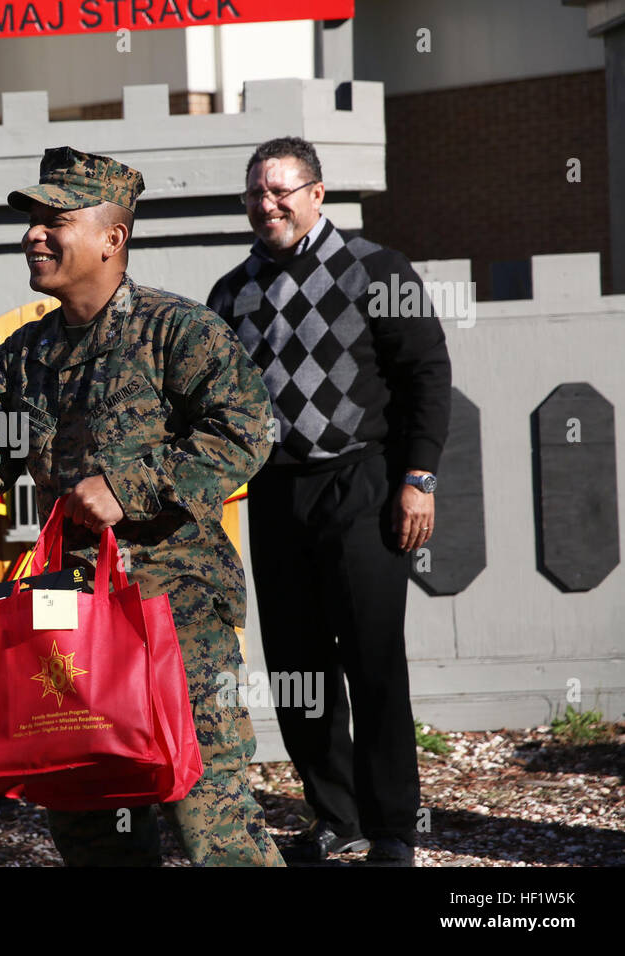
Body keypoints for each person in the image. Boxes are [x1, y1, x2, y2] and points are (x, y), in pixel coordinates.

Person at [0, 146, 285, 866]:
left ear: (111, 238)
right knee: (88, 813)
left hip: (174, 607)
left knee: (206, 812)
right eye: (30, 222)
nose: (33, 235)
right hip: (68, 612)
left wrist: (133, 488)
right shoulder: (19, 355)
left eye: (53, 220)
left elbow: (248, 430)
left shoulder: (177, 332)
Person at [207, 136, 451, 867]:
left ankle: (394, 830)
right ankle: (334, 819)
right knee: (297, 666)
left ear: (318, 193)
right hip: (275, 495)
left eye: (281, 190)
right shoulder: (231, 292)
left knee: (373, 661)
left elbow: (427, 378)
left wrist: (420, 479)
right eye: (255, 192)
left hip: (365, 485)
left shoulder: (379, 270)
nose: (266, 204)